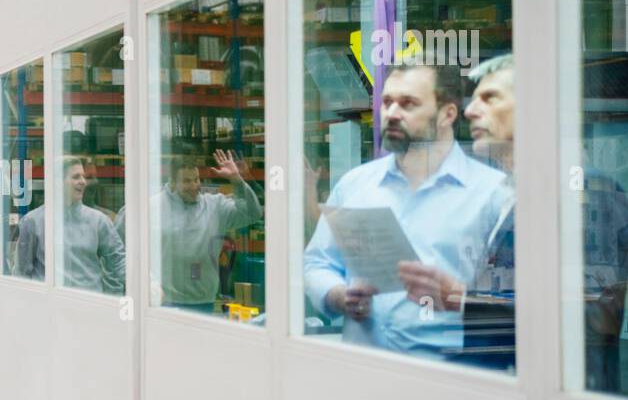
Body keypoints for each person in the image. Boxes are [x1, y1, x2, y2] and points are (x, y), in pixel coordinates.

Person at [302, 60, 505, 357]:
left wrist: (457, 297)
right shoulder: (356, 185)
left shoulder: (493, 194)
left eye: (408, 104)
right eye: (387, 102)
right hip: (361, 371)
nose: (392, 114)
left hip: (448, 379)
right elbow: (318, 262)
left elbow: (523, 304)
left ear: (447, 114)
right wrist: (338, 295)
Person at [396, 55, 516, 370]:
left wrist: (459, 299)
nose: (470, 111)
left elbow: (589, 321)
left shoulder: (586, 190)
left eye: (490, 98)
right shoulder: (510, 193)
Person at [116, 150, 262, 309]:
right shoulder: (151, 207)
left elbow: (253, 214)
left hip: (204, 300)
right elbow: (118, 245)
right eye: (186, 181)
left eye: (196, 179)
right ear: (172, 182)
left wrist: (237, 180)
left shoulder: (215, 206)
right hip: (165, 301)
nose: (194, 186)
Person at [16, 156, 125, 293]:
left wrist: (112, 298)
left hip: (90, 307)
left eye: (83, 177)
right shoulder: (32, 221)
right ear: (57, 182)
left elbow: (117, 261)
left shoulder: (99, 221)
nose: (83, 182)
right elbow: (21, 273)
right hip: (49, 308)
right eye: (76, 177)